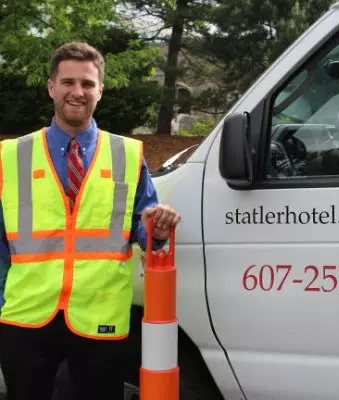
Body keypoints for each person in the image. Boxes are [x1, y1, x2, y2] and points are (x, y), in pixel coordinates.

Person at [0, 41, 181, 400]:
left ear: (100, 89)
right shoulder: (11, 155)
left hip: (101, 319)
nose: (77, 92)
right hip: (25, 318)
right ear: (51, 86)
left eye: (86, 83)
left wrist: (157, 234)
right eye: (68, 82)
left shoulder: (128, 155)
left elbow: (144, 233)